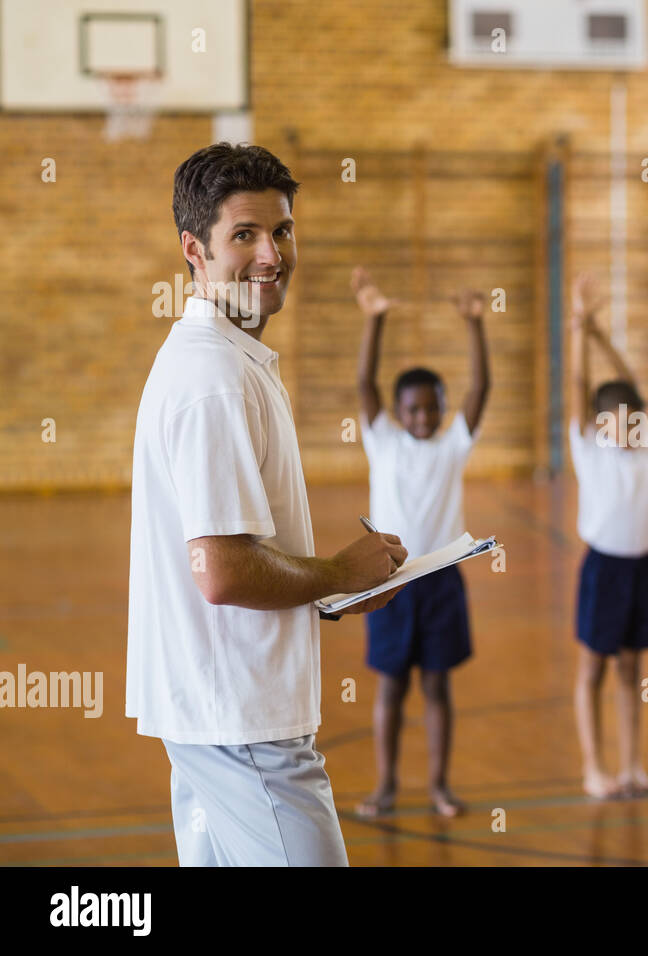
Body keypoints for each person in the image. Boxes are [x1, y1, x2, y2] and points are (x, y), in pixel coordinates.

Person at [127, 143, 407, 867]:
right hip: (243, 722)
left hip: (216, 714)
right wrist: (339, 573)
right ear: (194, 249)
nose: (270, 254)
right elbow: (221, 572)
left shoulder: (226, 356)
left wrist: (330, 588)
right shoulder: (214, 375)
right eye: (243, 235)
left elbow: (235, 556)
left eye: (281, 231)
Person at [351, 267, 490, 817]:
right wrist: (374, 320)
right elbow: (364, 384)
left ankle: (438, 786)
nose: (424, 417)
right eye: (412, 408)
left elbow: (481, 389)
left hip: (442, 579)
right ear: (397, 412)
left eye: (433, 406)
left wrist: (475, 325)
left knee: (437, 688)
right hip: (390, 582)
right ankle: (386, 785)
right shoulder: (383, 441)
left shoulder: (453, 445)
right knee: (390, 689)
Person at [568, 273, 648, 799]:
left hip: (642, 568)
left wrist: (601, 332)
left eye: (634, 421)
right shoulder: (589, 445)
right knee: (594, 671)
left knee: (630, 669)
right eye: (617, 422)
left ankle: (633, 766)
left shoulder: (643, 448)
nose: (628, 429)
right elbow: (581, 386)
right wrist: (580, 330)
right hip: (604, 570)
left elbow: (632, 384)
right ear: (599, 425)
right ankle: (593, 768)